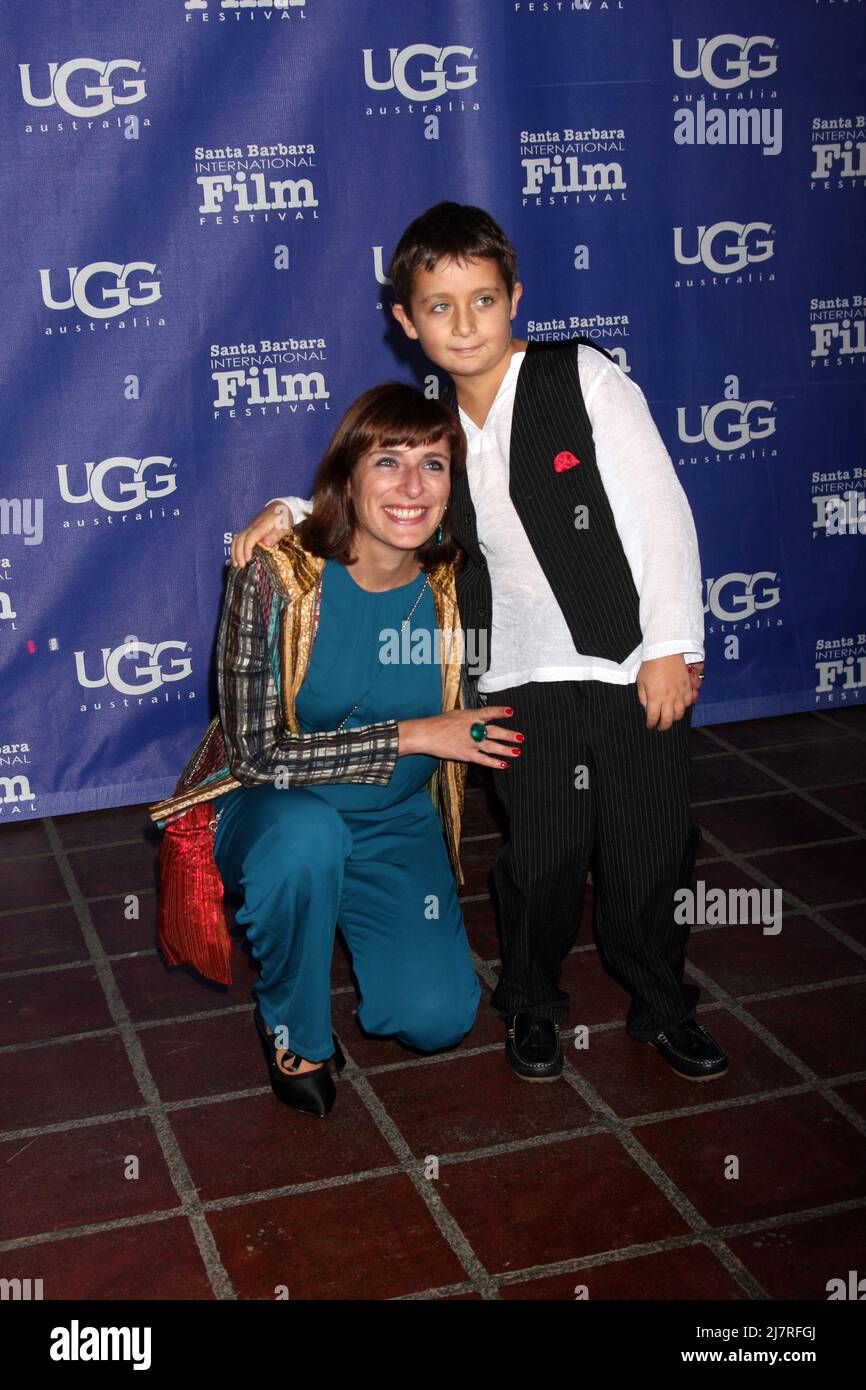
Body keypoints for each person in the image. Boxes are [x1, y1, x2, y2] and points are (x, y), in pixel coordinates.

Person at [230, 203, 728, 1085]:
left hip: (626, 661)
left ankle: (663, 1003)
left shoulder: (582, 378)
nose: (464, 324)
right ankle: (531, 1003)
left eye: (483, 300)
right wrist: (294, 509)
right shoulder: (438, 426)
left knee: (654, 847)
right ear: (406, 322)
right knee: (541, 850)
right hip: (512, 668)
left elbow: (662, 511)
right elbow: (389, 496)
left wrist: (671, 642)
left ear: (516, 300)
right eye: (440, 306)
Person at [149, 382, 524, 1118]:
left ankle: (366, 925)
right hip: (273, 810)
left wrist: (667, 651)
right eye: (388, 461)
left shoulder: (460, 584)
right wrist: (417, 736)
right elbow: (257, 755)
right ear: (349, 477)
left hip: (392, 820)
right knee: (305, 839)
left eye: (435, 465)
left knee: (438, 1018)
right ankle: (293, 1023)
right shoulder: (276, 577)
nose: (413, 486)